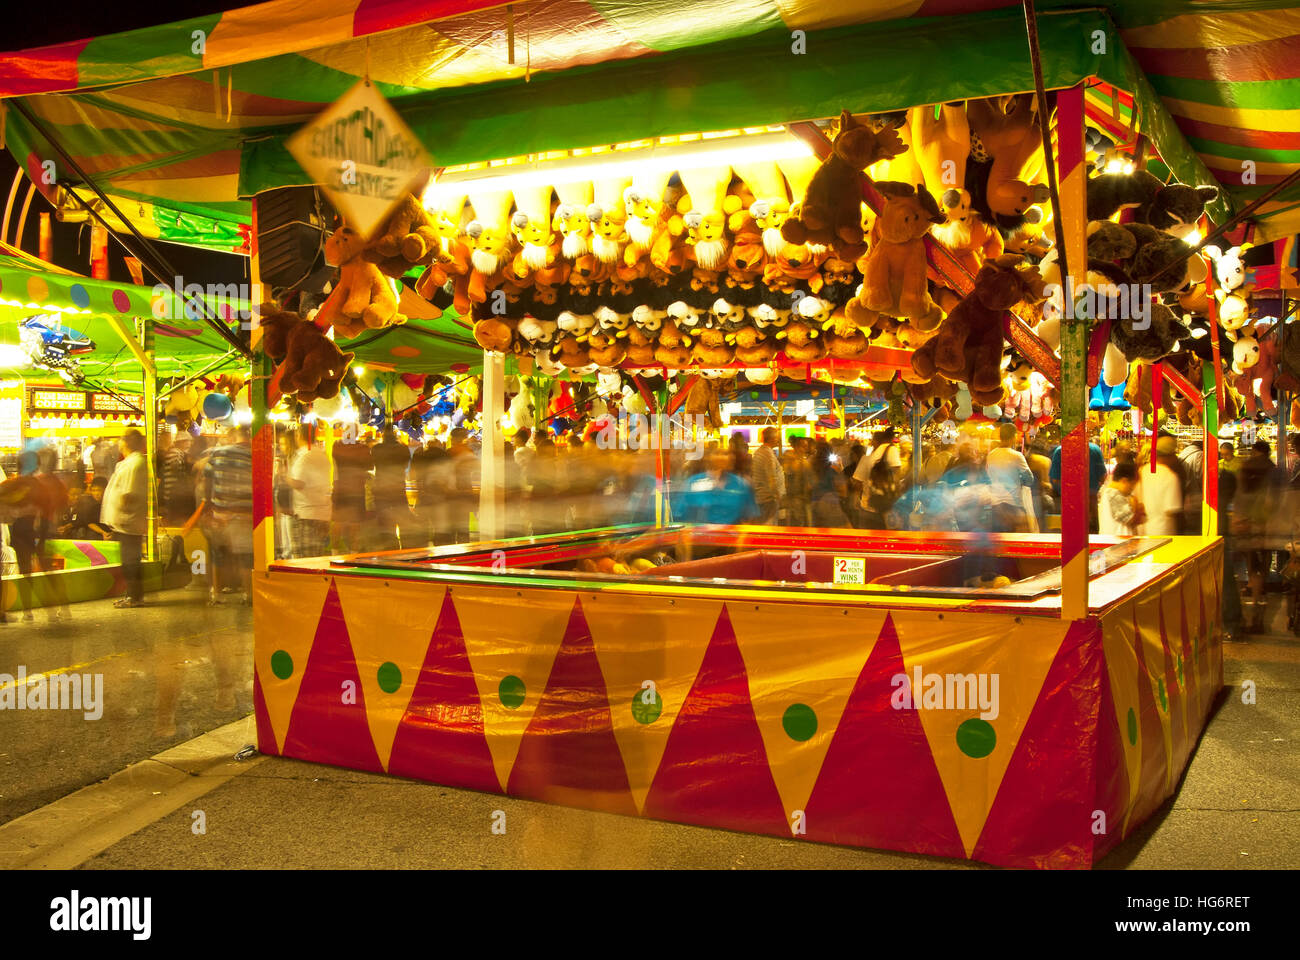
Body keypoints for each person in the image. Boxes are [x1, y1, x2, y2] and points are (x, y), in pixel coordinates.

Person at [201, 426, 253, 605]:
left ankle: (216, 593)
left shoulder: (218, 453)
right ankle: (248, 594)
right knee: (246, 556)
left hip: (220, 512)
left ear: (233, 438)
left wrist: (207, 503)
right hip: (245, 513)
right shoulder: (254, 455)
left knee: (217, 554)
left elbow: (206, 478)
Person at [101, 429, 149, 608]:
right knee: (128, 560)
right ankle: (132, 594)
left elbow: (130, 493)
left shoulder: (135, 463)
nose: (119, 443)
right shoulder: (129, 463)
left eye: (121, 440)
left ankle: (135, 597)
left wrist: (122, 510)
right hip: (123, 521)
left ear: (126, 443)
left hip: (128, 521)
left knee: (131, 561)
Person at [677, 449, 758, 524]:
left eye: (725, 454)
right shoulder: (693, 482)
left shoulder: (740, 484)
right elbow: (682, 514)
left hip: (731, 536)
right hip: (701, 536)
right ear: (708, 457)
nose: (721, 457)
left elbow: (750, 516)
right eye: (717, 453)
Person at [286, 428, 332, 558]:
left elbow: (299, 483)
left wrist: (284, 476)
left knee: (303, 558)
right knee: (317, 556)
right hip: (322, 513)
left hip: (306, 514)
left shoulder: (305, 456)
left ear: (299, 435)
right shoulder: (322, 455)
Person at [985, 423, 1035, 533]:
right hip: (1013, 504)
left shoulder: (991, 455)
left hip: (995, 504)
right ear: (1013, 436)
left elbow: (988, 476)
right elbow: (1030, 479)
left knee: (998, 542)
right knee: (1014, 541)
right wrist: (1020, 480)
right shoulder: (1017, 456)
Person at [1049, 440, 1107, 532]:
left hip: (1069, 499)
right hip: (1090, 498)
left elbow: (1055, 479)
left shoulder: (1060, 451)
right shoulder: (1095, 449)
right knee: (1091, 530)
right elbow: (1102, 476)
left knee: (1071, 530)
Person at [331, 433, 373, 554]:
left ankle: (335, 552)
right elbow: (370, 465)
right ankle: (353, 553)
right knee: (355, 525)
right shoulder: (362, 448)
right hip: (357, 491)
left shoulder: (337, 446)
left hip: (340, 490)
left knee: (338, 523)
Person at [371, 426, 413, 550]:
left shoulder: (376, 449)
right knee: (402, 521)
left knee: (385, 525)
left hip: (381, 491)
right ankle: (406, 550)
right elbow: (406, 465)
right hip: (398, 489)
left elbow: (372, 463)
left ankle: (390, 550)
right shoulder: (403, 449)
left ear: (383, 435)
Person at [1137, 434, 1184, 536]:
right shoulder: (1170, 476)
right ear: (1170, 455)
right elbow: (1172, 510)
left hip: (1142, 531)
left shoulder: (1142, 471)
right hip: (1162, 532)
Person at [855, 428, 902, 528]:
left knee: (868, 541)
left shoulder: (867, 458)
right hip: (887, 508)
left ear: (875, 441)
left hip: (867, 506)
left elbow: (857, 482)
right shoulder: (891, 449)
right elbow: (897, 473)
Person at [157, 431, 196, 525]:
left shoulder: (177, 452)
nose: (189, 443)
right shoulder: (176, 452)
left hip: (172, 494)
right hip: (173, 494)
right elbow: (175, 468)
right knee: (174, 520)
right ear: (181, 442)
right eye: (187, 441)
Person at [1099, 461, 1146, 536]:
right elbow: (1129, 519)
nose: (1133, 488)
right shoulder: (1113, 494)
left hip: (1120, 542)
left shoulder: (1113, 492)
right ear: (1124, 480)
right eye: (1133, 484)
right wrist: (1137, 508)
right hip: (1117, 543)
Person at [751, 427, 785, 525]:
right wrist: (778, 497)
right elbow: (771, 479)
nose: (778, 440)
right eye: (777, 437)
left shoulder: (759, 452)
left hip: (762, 497)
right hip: (768, 499)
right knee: (769, 528)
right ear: (772, 439)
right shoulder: (768, 454)